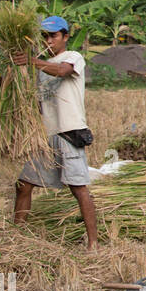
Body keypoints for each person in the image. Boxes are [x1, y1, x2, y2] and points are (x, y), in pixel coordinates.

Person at [12, 15, 98, 249]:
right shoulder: (40, 68)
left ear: (65, 36)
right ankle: (15, 239)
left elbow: (62, 71)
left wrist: (33, 62)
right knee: (23, 184)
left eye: (53, 36)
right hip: (47, 136)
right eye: (45, 36)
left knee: (78, 188)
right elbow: (42, 103)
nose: (48, 40)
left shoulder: (73, 57)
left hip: (69, 133)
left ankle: (93, 243)